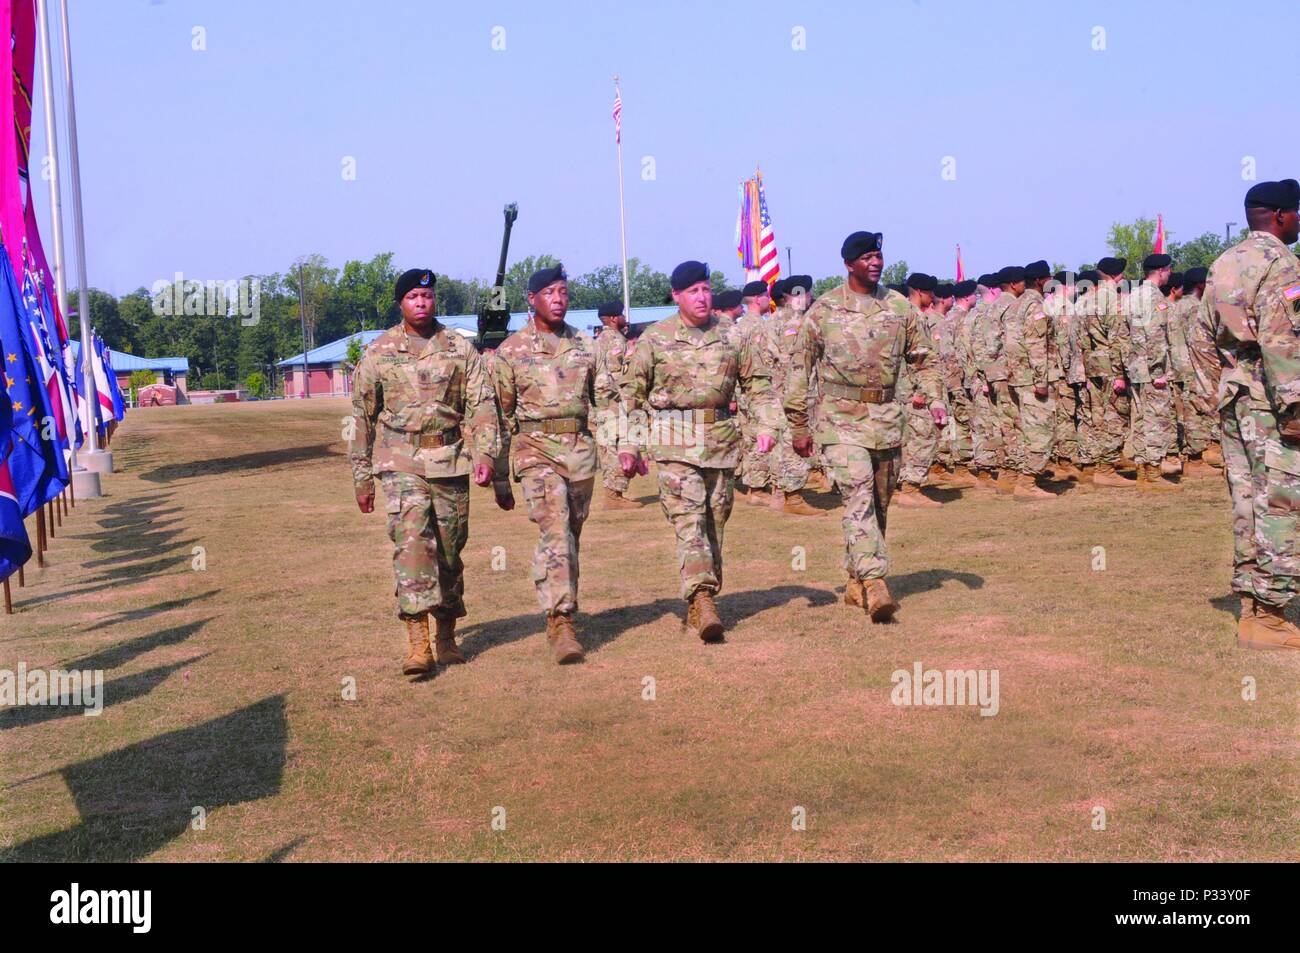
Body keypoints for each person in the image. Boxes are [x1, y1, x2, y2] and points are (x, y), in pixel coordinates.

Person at [785, 231, 945, 623]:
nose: (876, 262)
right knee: (857, 495)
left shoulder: (898, 307)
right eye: (867, 256)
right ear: (849, 264)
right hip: (840, 420)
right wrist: (798, 425)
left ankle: (855, 580)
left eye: (879, 255)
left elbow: (924, 358)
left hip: (887, 419)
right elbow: (798, 370)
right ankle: (875, 583)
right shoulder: (823, 310)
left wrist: (936, 399)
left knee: (878, 505)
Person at [349, 268, 501, 676]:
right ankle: (418, 644)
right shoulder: (379, 351)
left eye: (427, 296)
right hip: (401, 462)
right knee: (413, 548)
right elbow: (362, 417)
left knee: (450, 553)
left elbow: (483, 404)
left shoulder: (458, 347)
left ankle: (447, 634)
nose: (422, 302)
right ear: (401, 303)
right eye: (414, 296)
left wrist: (485, 457)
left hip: (450, 460)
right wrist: (362, 478)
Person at [619, 261, 779, 642]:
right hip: (674, 442)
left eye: (706, 289)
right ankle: (702, 598)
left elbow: (758, 385)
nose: (702, 296)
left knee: (714, 523)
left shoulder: (732, 336)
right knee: (689, 523)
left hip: (721, 442)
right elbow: (630, 395)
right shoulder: (655, 338)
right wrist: (629, 444)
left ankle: (703, 593)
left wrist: (768, 425)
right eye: (693, 291)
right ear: (676, 296)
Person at [1193, 178, 1300, 649]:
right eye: (1296, 213)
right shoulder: (1280, 264)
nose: (1298, 222)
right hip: (1271, 402)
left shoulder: (1224, 262)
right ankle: (1271, 617)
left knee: (1247, 500)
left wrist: (1212, 392)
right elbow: (1282, 340)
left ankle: (1251, 604)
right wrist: (1294, 406)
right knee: (1280, 501)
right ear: (1278, 215)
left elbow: (1198, 337)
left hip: (1234, 398)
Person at [492, 265, 604, 663]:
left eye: (563, 292)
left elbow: (604, 400)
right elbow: (501, 415)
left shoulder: (586, 345)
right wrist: (501, 476)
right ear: (532, 299)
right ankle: (560, 622)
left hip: (579, 453)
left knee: (570, 536)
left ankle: (563, 605)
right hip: (534, 450)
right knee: (555, 531)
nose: (558, 299)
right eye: (549, 293)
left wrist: (622, 447)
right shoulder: (512, 350)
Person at [761, 276, 825, 515]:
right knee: (794, 443)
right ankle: (793, 498)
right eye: (806, 293)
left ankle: (780, 494)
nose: (809, 297)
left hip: (779, 392)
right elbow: (796, 360)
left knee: (782, 444)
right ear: (794, 296)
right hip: (797, 394)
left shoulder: (773, 320)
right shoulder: (795, 322)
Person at [1127, 253, 1182, 491]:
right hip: (1151, 368)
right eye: (1169, 269)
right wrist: (1159, 368)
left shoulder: (1134, 294)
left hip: (1136, 366)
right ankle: (1152, 473)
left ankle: (1142, 471)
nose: (1170, 274)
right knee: (1155, 420)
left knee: (1140, 419)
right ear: (1161, 270)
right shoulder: (1153, 296)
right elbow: (1156, 334)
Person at [1003, 260, 1058, 500]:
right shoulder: (1035, 304)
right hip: (1030, 378)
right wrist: (1041, 380)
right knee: (1040, 430)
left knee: (1026, 430)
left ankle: (1024, 477)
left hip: (1017, 376)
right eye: (1049, 279)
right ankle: (1027, 483)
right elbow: (1036, 344)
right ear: (1040, 281)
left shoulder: (1017, 304)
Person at [1081, 257, 1136, 487]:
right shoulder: (1113, 299)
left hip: (1092, 362)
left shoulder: (1087, 299)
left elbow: (1081, 337)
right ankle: (1106, 468)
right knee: (1116, 415)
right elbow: (1118, 338)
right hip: (1110, 365)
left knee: (1099, 416)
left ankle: (1099, 463)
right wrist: (1120, 373)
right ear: (1116, 275)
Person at [974, 265, 1026, 494]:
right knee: (1014, 422)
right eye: (1022, 281)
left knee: (1002, 422)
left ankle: (1007, 473)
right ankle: (1011, 473)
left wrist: (986, 371)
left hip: (994, 372)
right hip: (1008, 372)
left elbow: (981, 344)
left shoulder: (990, 308)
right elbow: (1013, 343)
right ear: (1014, 284)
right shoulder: (1012, 306)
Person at [896, 272, 946, 506]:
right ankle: (911, 488)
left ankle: (901, 485)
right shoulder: (914, 316)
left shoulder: (898, 313)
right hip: (914, 389)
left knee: (904, 440)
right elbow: (918, 359)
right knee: (923, 436)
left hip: (900, 391)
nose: (933, 297)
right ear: (919, 292)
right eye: (930, 293)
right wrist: (922, 392)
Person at [592, 299, 642, 509]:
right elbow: (618, 376)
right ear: (613, 319)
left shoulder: (596, 340)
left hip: (600, 404)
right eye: (621, 314)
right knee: (618, 445)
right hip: (614, 402)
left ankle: (613, 493)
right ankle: (613, 495)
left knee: (609, 447)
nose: (624, 318)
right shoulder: (615, 341)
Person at [735, 279, 775, 502]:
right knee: (761, 437)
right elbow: (766, 361)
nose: (768, 301)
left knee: (749, 438)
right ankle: (758, 489)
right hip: (759, 389)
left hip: (743, 392)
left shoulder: (739, 326)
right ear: (758, 299)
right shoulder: (760, 326)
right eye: (766, 297)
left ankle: (754, 485)